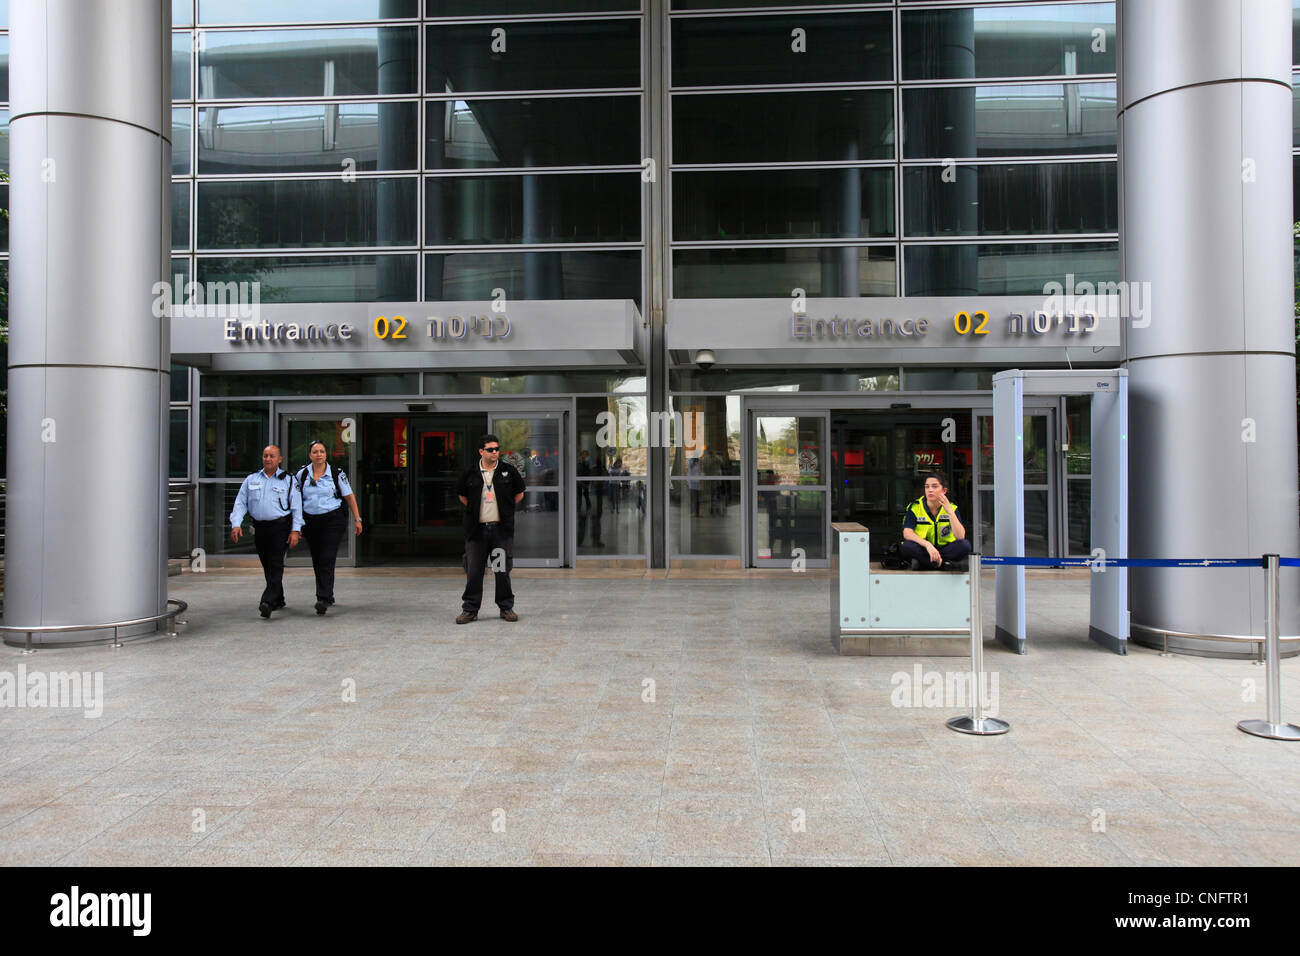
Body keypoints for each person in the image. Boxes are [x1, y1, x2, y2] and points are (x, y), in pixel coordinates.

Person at [455, 433, 526, 624]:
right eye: (490, 449)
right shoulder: (470, 473)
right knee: (474, 572)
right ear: (481, 451)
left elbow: (519, 494)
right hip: (476, 532)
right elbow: (462, 496)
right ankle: (470, 609)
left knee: (501, 570)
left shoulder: (508, 471)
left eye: (497, 449)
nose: (495, 452)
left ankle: (506, 607)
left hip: (500, 532)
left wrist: (506, 508)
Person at [230, 444, 303, 617]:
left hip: (280, 527)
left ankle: (267, 601)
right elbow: (240, 503)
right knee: (267, 565)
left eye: (272, 456)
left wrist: (295, 530)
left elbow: (297, 507)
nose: (268, 459)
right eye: (265, 456)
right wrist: (236, 524)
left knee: (275, 563)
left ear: (279, 459)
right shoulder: (252, 479)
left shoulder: (289, 480)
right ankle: (279, 597)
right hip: (260, 528)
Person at [296, 439, 362, 615]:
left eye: (322, 452)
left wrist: (357, 519)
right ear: (310, 455)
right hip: (310, 521)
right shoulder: (302, 474)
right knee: (318, 559)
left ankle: (322, 598)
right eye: (315, 452)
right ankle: (328, 594)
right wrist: (295, 525)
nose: (319, 455)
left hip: (332, 520)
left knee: (327, 556)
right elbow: (295, 501)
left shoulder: (336, 473)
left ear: (326, 454)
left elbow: (349, 496)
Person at [901, 470, 972, 570]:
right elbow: (907, 533)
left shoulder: (952, 508)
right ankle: (945, 565)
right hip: (924, 548)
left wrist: (950, 512)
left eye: (934, 486)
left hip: (945, 549)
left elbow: (960, 536)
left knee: (965, 545)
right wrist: (927, 545)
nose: (930, 490)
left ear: (944, 491)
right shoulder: (915, 508)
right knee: (907, 546)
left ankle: (926, 564)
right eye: (927, 486)